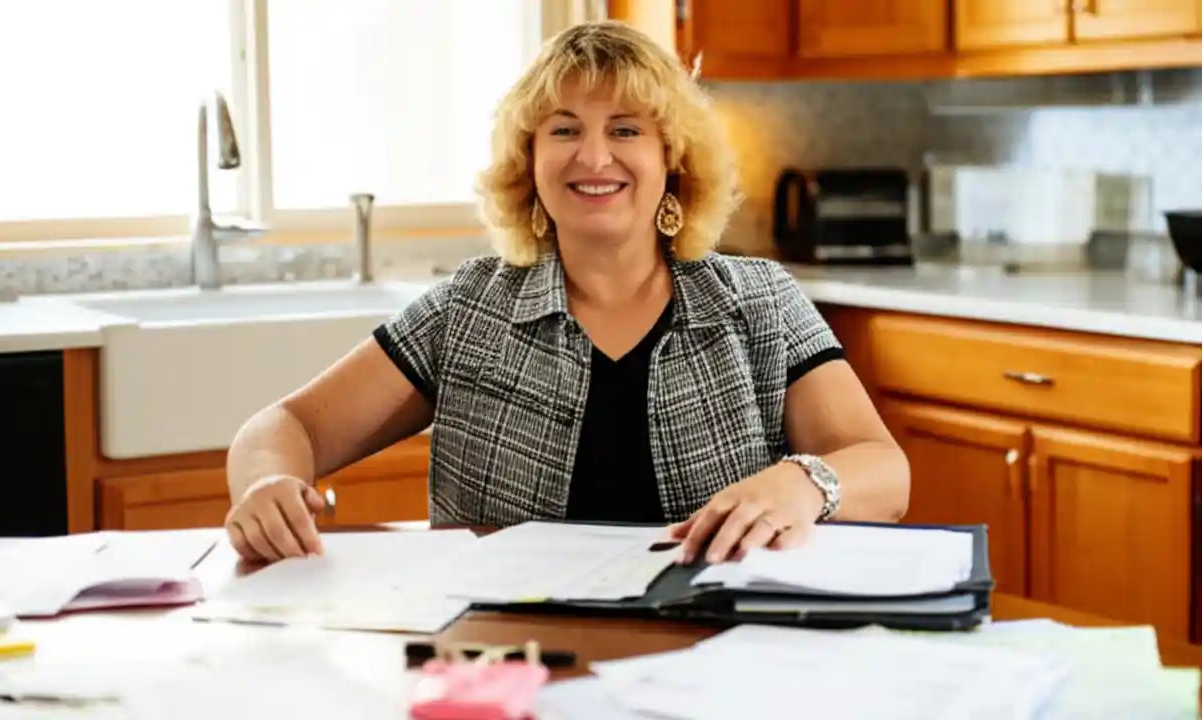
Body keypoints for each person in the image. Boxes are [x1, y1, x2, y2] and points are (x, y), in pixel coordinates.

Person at [224, 20, 909, 567]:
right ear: (530, 161)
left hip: (718, 653)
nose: (593, 157)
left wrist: (803, 482)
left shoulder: (759, 303)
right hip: (505, 658)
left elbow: (885, 471)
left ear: (671, 158)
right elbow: (285, 429)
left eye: (625, 130)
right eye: (563, 130)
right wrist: (264, 485)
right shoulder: (468, 309)